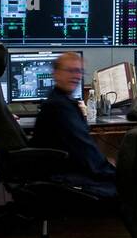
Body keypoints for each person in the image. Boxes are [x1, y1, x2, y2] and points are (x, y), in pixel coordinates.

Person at [30, 51, 116, 196]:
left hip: (61, 171)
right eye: (70, 71)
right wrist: (111, 170)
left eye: (79, 71)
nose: (76, 76)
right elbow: (84, 149)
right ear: (56, 74)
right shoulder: (60, 107)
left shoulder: (60, 101)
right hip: (63, 176)